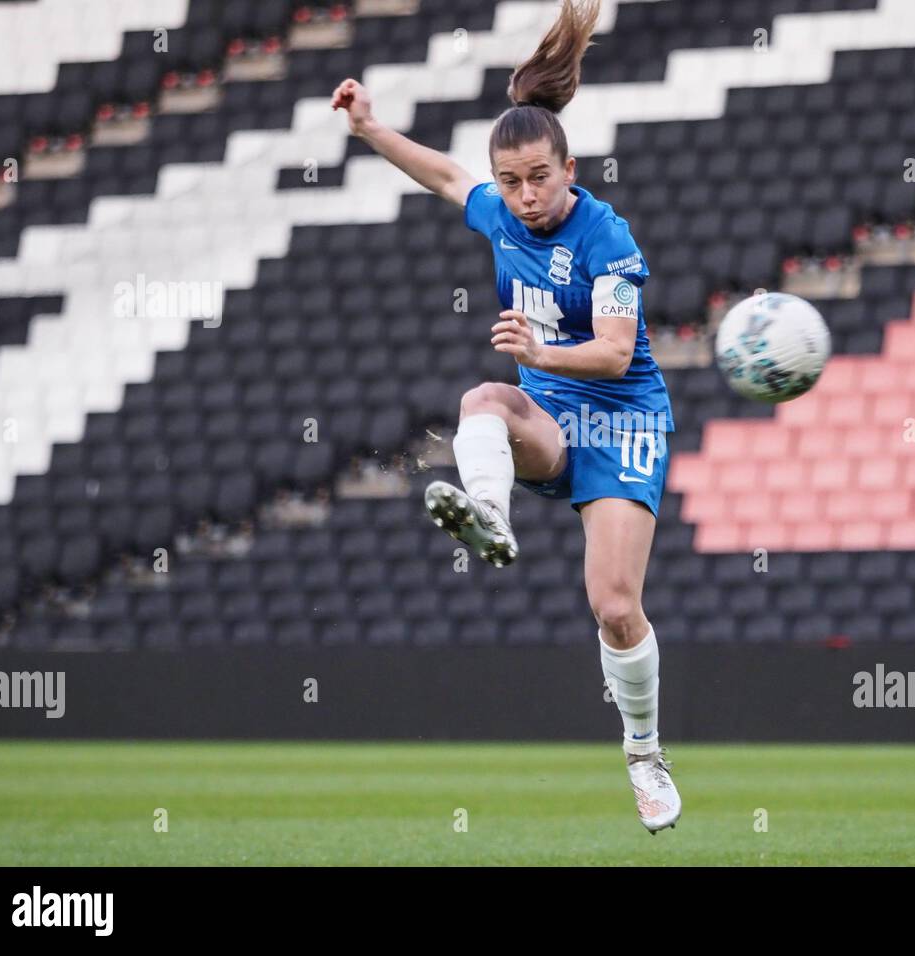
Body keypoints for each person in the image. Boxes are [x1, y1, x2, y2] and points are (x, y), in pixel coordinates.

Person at [330, 0, 681, 832]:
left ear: (569, 167)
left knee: (615, 605)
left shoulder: (608, 237)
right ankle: (490, 514)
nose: (522, 196)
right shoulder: (496, 207)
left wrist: (539, 350)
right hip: (552, 412)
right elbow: (447, 176)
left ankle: (643, 752)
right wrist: (371, 129)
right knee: (480, 402)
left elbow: (617, 352)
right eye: (511, 180)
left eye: (539, 178)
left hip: (623, 415)